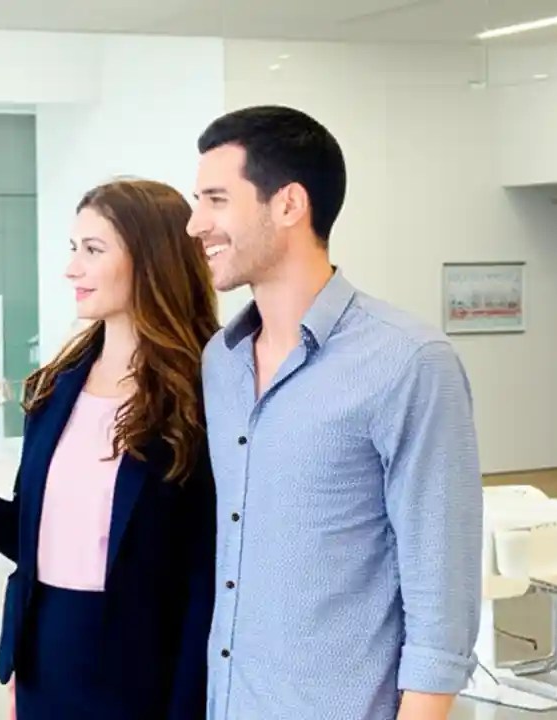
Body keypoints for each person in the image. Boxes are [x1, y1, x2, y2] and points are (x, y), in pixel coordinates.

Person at [0, 178, 220, 719]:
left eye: (93, 250)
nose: (71, 269)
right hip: (46, 655)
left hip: (145, 672)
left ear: (151, 260)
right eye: (73, 249)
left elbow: (206, 576)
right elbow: (25, 539)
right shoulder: (55, 389)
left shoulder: (201, 393)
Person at [187, 105, 482, 720]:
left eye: (216, 199)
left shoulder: (408, 361)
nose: (195, 224)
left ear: (289, 204)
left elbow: (441, 589)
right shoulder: (221, 361)